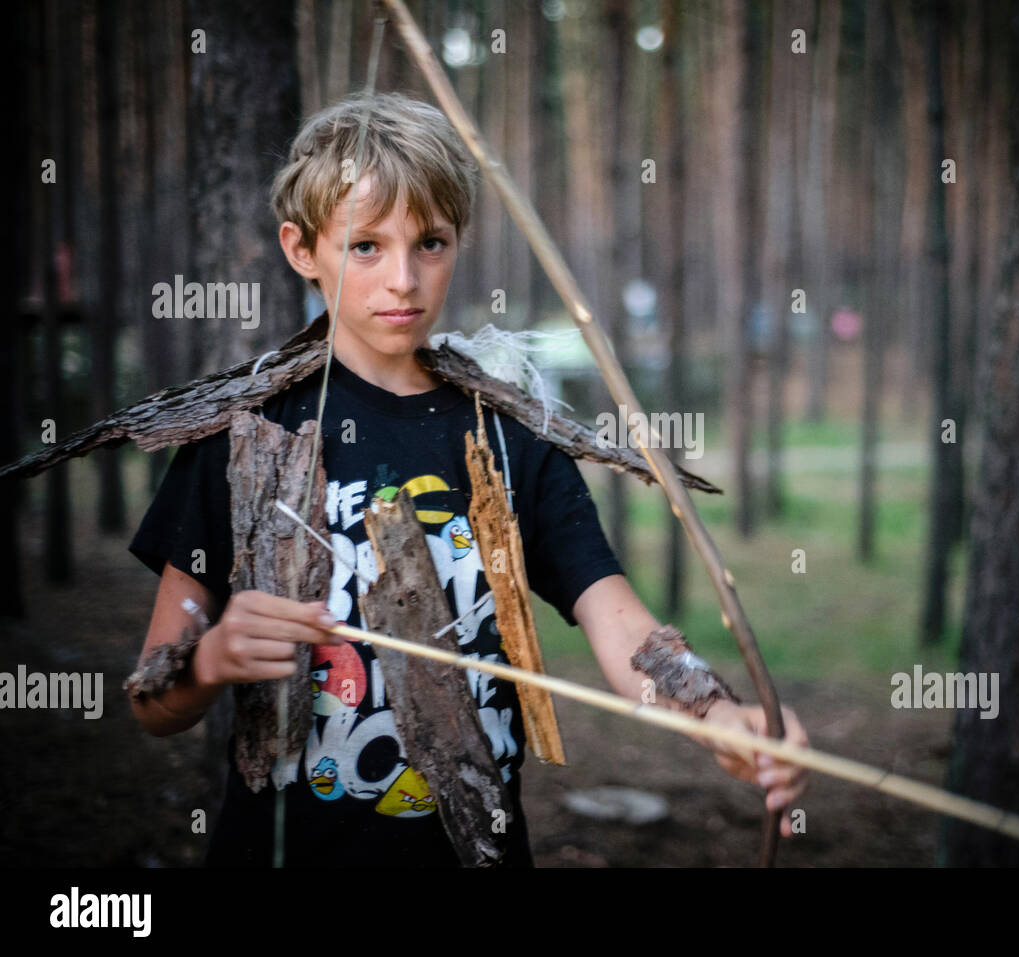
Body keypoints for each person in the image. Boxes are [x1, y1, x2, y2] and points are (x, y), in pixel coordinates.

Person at [127, 91, 807, 867]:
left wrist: (713, 712)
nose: (404, 280)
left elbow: (618, 621)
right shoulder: (243, 434)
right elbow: (154, 700)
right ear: (300, 248)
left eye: (431, 242)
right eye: (365, 246)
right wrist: (212, 657)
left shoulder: (506, 431)